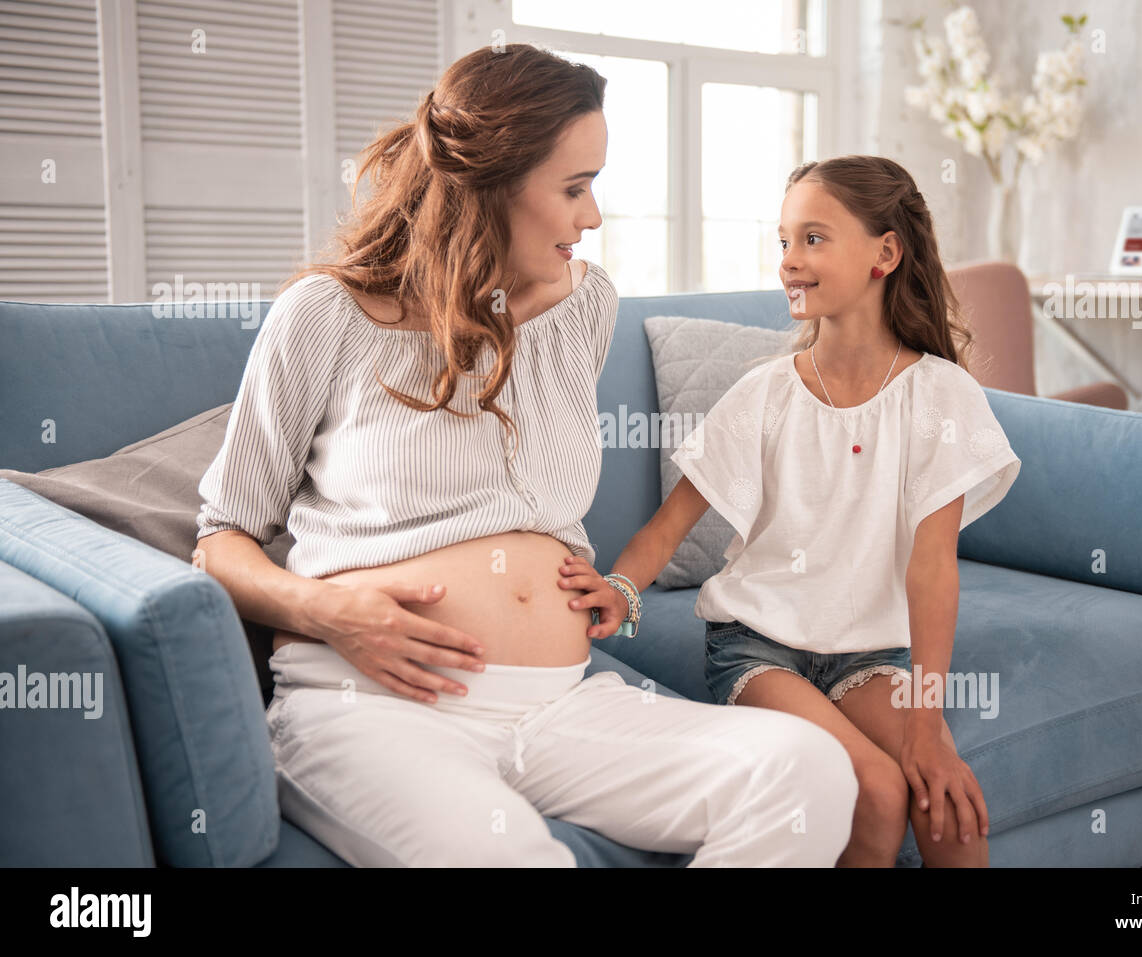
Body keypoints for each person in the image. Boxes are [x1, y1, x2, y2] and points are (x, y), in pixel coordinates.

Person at [193, 43, 858, 868]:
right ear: (492, 185)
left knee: (806, 773)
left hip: (559, 708)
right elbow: (221, 537)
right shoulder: (322, 315)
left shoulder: (586, 306)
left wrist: (585, 569)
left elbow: (529, 492)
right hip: (372, 707)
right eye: (575, 188)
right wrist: (328, 612)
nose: (594, 217)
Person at [560, 156, 1022, 867]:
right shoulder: (765, 392)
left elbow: (933, 571)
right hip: (757, 645)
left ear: (885, 253)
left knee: (948, 808)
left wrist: (927, 722)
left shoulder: (940, 396)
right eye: (783, 241)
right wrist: (619, 589)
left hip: (870, 655)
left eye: (813, 239)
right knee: (876, 790)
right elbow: (670, 524)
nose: (789, 262)